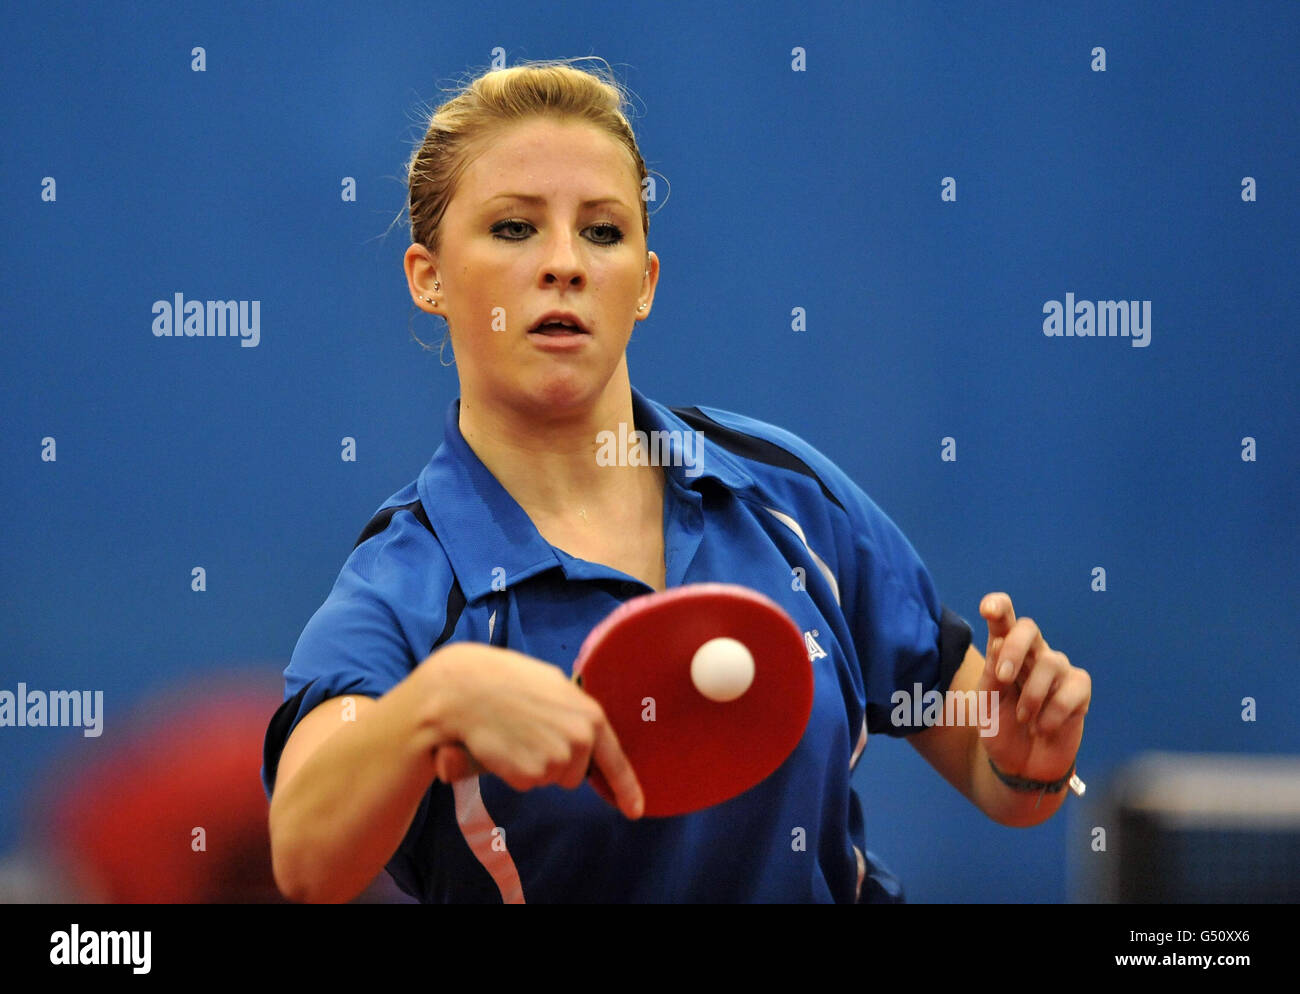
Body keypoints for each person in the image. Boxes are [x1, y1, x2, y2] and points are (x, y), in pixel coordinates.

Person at [261, 57, 1092, 904]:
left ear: (645, 284)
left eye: (603, 231)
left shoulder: (784, 497)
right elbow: (303, 854)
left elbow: (982, 754)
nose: (564, 264)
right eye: (514, 228)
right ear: (428, 277)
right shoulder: (409, 582)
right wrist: (428, 708)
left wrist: (1026, 762)